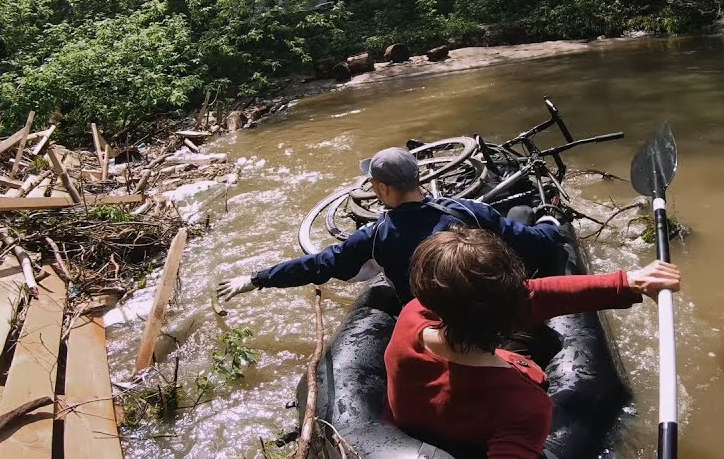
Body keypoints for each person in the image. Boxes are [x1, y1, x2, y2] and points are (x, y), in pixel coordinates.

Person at [386, 226, 681, 459]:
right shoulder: (523, 406)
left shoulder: (413, 315)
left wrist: (626, 281)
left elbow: (535, 296)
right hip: (480, 425)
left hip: (433, 418)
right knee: (546, 339)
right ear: (510, 305)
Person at [215, 147, 563, 304]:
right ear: (418, 177)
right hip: (488, 304)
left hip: (429, 315)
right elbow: (535, 241)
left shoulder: (375, 236)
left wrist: (255, 279)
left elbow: (317, 265)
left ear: (382, 188)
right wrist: (551, 220)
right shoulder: (468, 210)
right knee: (521, 210)